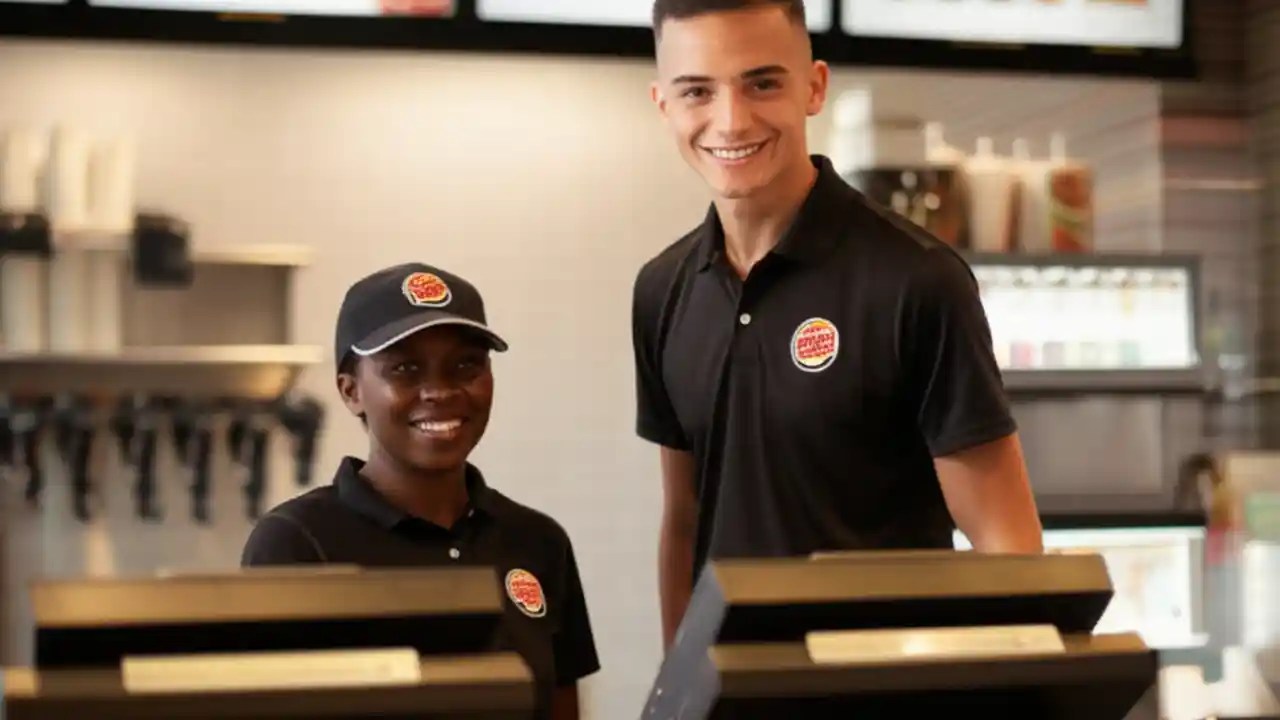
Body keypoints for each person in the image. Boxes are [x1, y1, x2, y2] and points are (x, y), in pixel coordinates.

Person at [632, 0, 1046, 650]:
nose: (730, 119)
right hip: (735, 695)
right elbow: (685, 522)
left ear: (814, 87)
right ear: (663, 105)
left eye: (762, 82)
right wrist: (676, 695)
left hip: (884, 698)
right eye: (697, 92)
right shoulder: (662, 291)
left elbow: (1007, 543)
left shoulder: (918, 280)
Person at [242, 263, 600, 720]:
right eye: (406, 369)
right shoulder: (295, 544)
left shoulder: (538, 541)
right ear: (351, 392)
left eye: (466, 365)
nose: (440, 390)